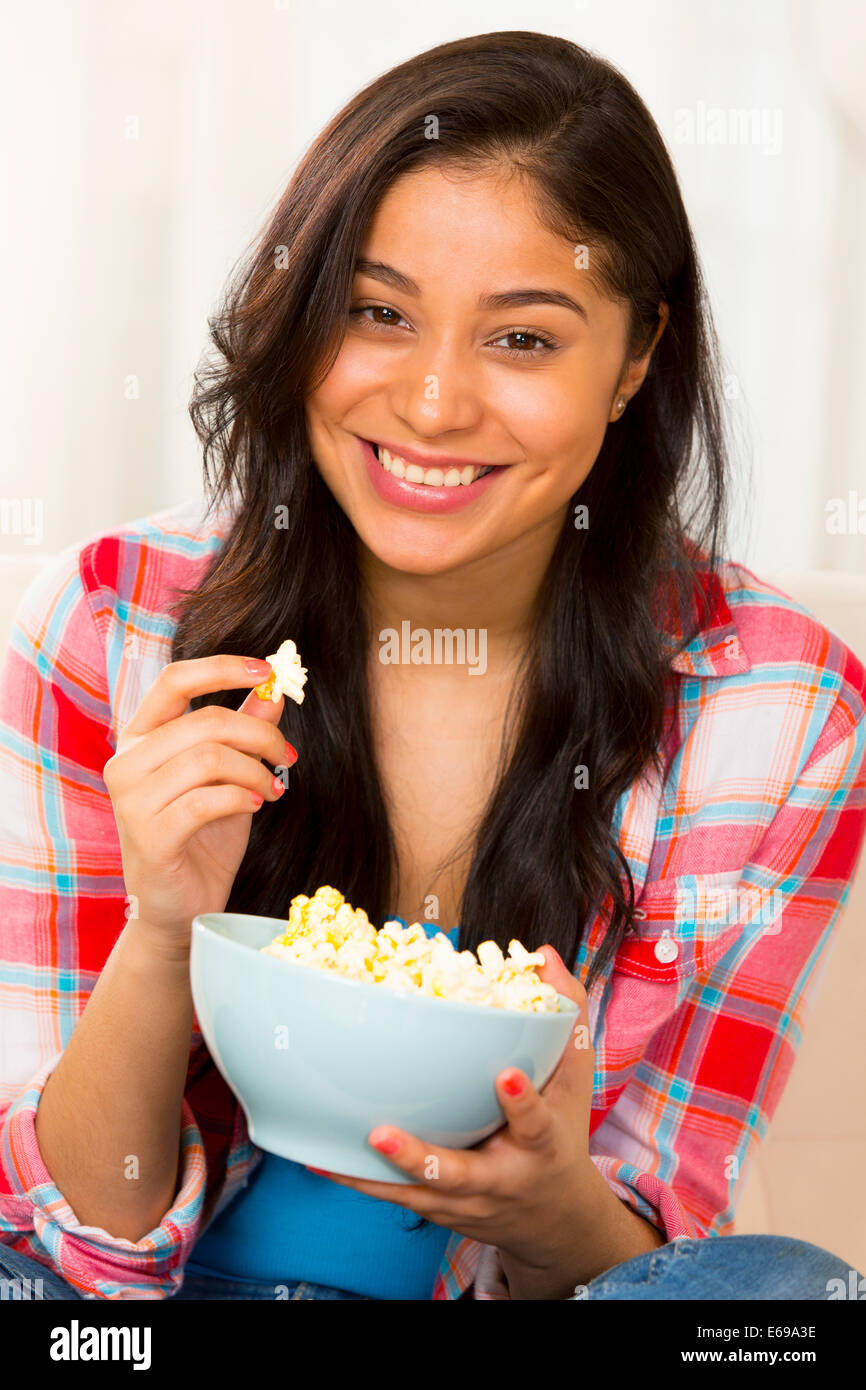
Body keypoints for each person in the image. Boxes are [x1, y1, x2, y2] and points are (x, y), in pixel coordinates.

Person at [1, 31, 864, 1302]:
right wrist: (167, 926)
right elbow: (76, 1236)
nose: (430, 402)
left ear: (631, 360)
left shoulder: (777, 707)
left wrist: (549, 1201)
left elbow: (656, 1249)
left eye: (521, 340)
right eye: (377, 312)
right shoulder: (108, 622)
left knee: (784, 1299)